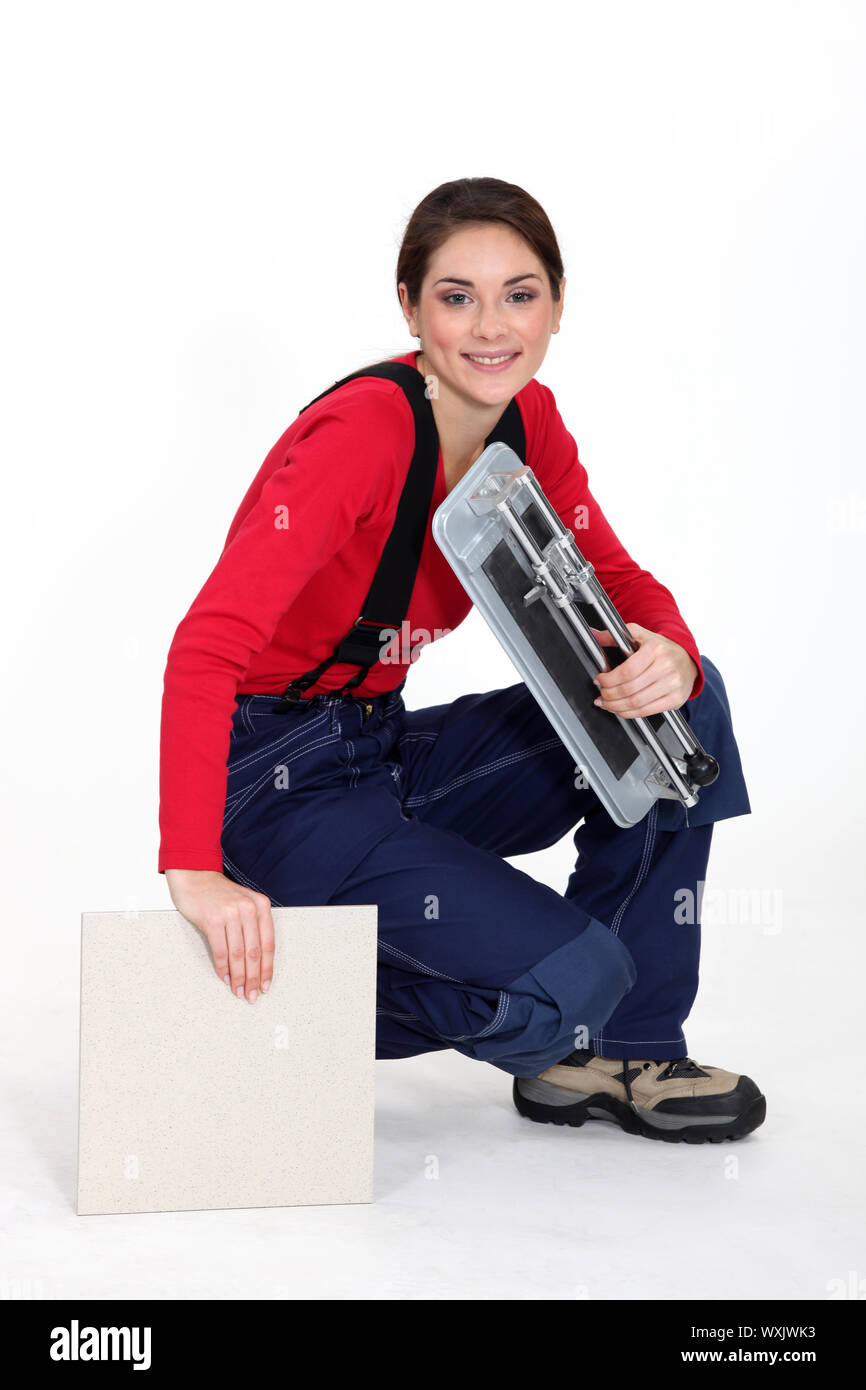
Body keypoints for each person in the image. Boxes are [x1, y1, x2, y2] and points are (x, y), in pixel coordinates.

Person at [159, 176, 764, 1144]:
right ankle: (273, 1009)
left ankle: (621, 1051)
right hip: (272, 786)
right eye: (456, 296)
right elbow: (205, 646)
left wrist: (672, 655)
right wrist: (192, 868)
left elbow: (608, 572)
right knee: (574, 981)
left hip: (381, 755)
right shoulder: (361, 434)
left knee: (684, 713)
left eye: (519, 294)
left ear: (556, 305)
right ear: (409, 307)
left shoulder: (528, 423)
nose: (491, 327)